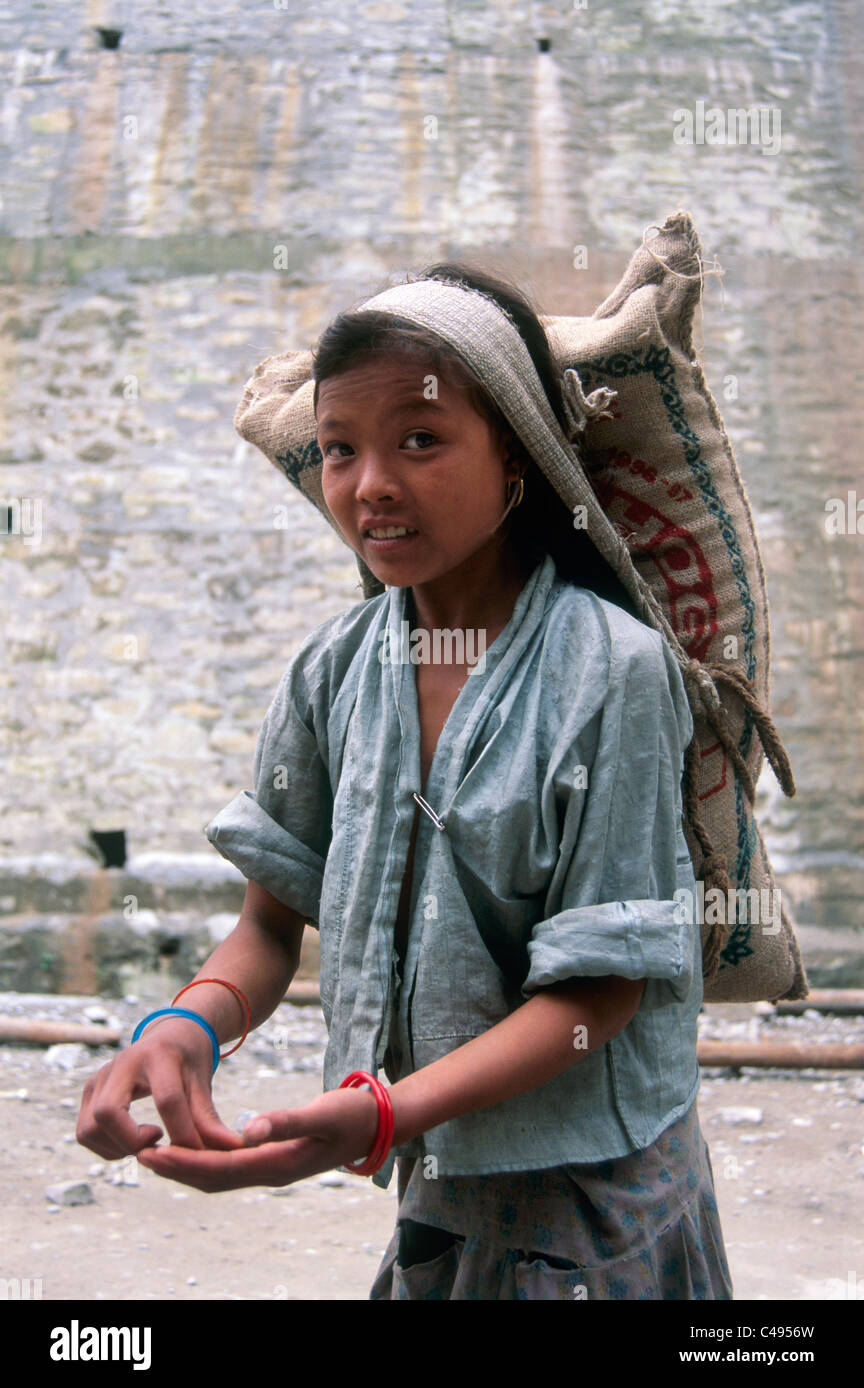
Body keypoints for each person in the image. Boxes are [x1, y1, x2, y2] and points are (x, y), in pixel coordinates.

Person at [77, 263, 733, 1301]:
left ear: (515, 451)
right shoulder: (332, 670)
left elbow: (600, 991)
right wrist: (184, 1026)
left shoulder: (611, 671)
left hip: (601, 1215)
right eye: (341, 449)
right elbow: (267, 927)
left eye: (419, 440)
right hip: (439, 1194)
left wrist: (388, 1111)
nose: (369, 483)